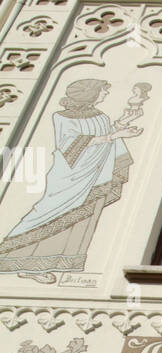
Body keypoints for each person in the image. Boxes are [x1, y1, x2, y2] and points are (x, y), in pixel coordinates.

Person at [0, 77, 146, 284]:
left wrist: (124, 122)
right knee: (48, 213)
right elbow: (71, 144)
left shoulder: (100, 115)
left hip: (95, 174)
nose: (105, 95)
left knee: (81, 219)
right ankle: (19, 260)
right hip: (70, 176)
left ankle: (57, 263)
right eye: (103, 91)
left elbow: (104, 134)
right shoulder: (63, 117)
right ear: (90, 93)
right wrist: (113, 137)